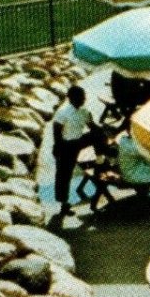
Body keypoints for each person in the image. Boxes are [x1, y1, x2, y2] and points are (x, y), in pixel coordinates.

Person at [51, 86, 100, 217]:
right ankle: (63, 204)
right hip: (66, 145)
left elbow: (92, 126)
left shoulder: (84, 112)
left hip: (78, 141)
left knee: (98, 135)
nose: (83, 100)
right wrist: (57, 148)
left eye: (84, 97)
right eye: (81, 97)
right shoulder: (63, 112)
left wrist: (101, 133)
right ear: (71, 98)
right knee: (63, 175)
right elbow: (56, 131)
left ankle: (101, 160)